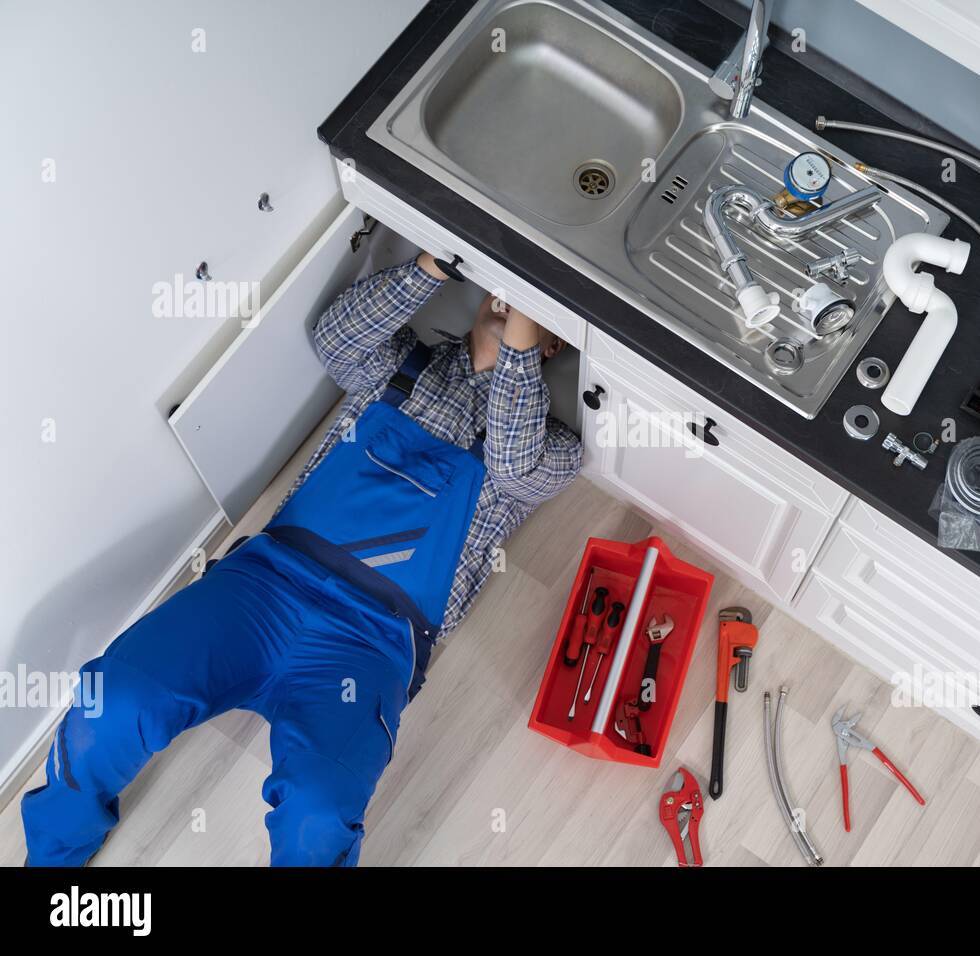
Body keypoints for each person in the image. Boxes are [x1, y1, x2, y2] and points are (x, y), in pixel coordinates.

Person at [23, 252, 582, 866]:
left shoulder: (549, 451)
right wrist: (435, 265)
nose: (507, 307)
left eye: (538, 327)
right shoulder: (402, 363)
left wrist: (526, 320)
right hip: (262, 588)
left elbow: (510, 457)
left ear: (550, 349)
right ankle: (53, 860)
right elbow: (335, 337)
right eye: (500, 294)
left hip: (369, 643)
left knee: (318, 811)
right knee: (116, 697)